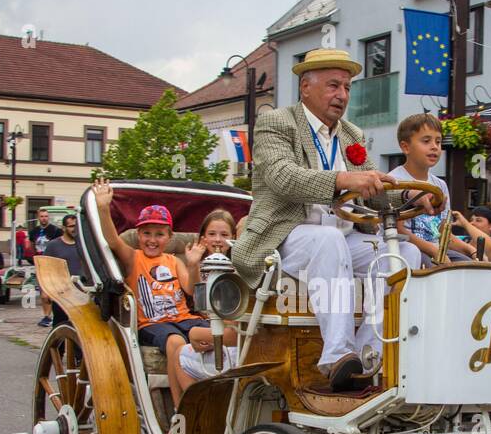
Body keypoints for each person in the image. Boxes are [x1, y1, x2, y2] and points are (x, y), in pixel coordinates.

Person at [229, 48, 426, 391]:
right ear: (305, 87)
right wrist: (342, 180)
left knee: (404, 255)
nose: (343, 95)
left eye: (347, 88)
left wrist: (409, 196)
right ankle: (336, 355)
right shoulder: (277, 122)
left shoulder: (351, 135)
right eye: (334, 85)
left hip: (343, 236)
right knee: (328, 240)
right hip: (287, 233)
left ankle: (368, 354)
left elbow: (370, 192)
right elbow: (282, 178)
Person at [92, 197, 206, 379]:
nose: (152, 240)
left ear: (169, 238)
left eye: (159, 234)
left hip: (185, 319)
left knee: (217, 334)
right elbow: (113, 241)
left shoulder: (174, 261)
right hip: (153, 323)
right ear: (138, 235)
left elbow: (191, 290)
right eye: (147, 233)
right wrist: (103, 208)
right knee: (175, 341)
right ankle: (184, 401)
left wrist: (193, 265)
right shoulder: (133, 257)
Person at [388, 114, 483, 266]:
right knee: (438, 270)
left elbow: (444, 233)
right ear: (405, 147)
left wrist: (470, 250)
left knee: (472, 267)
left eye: (438, 142)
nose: (434, 147)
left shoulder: (440, 185)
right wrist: (434, 251)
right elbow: (398, 231)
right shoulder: (394, 181)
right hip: (407, 248)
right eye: (426, 141)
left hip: (436, 248)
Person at [172, 211, 241, 404]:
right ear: (203, 238)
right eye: (212, 234)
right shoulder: (202, 266)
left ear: (234, 238)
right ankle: (184, 413)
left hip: (228, 339)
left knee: (179, 354)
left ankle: (199, 410)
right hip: (211, 330)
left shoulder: (236, 271)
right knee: (176, 345)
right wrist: (193, 264)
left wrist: (199, 334)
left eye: (224, 235)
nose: (218, 240)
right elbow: (193, 291)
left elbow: (232, 326)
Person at [39, 213, 88, 327]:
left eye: (76, 226)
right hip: (61, 293)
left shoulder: (84, 245)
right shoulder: (54, 245)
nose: (74, 229)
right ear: (64, 228)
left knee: (80, 326)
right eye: (71, 226)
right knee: (61, 325)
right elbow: (45, 268)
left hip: (81, 292)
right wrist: (45, 290)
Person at [31, 209, 63, 328]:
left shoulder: (55, 230)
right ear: (38, 218)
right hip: (40, 264)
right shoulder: (34, 231)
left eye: (46, 216)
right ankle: (46, 316)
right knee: (43, 293)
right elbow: (32, 245)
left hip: (52, 264)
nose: (44, 218)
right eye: (42, 216)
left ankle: (55, 314)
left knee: (52, 292)